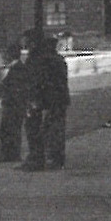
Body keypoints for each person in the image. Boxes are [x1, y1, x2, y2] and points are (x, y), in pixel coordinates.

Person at [24, 31, 69, 170]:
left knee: (38, 129)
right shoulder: (59, 60)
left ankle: (39, 159)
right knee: (56, 130)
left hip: (46, 100)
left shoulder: (41, 60)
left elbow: (37, 82)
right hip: (59, 100)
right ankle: (55, 159)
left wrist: (34, 99)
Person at [0, 39, 31, 163]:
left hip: (14, 105)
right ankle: (11, 154)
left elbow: (14, 87)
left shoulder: (17, 68)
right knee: (10, 130)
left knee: (8, 130)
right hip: (15, 104)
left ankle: (10, 155)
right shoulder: (17, 67)